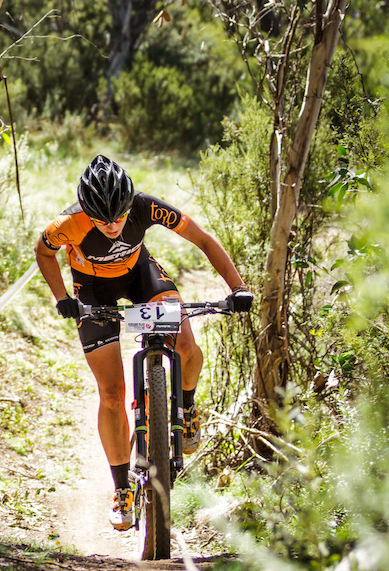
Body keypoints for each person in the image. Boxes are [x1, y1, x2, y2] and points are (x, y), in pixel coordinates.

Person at [35, 155, 253, 530]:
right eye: (102, 219)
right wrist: (62, 298)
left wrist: (238, 288)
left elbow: (201, 238)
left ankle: (186, 406)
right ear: (86, 210)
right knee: (111, 391)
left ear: (129, 204)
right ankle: (121, 488)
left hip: (141, 274)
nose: (112, 224)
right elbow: (44, 251)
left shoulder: (146, 206)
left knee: (186, 345)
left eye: (119, 215)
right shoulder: (67, 224)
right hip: (92, 289)